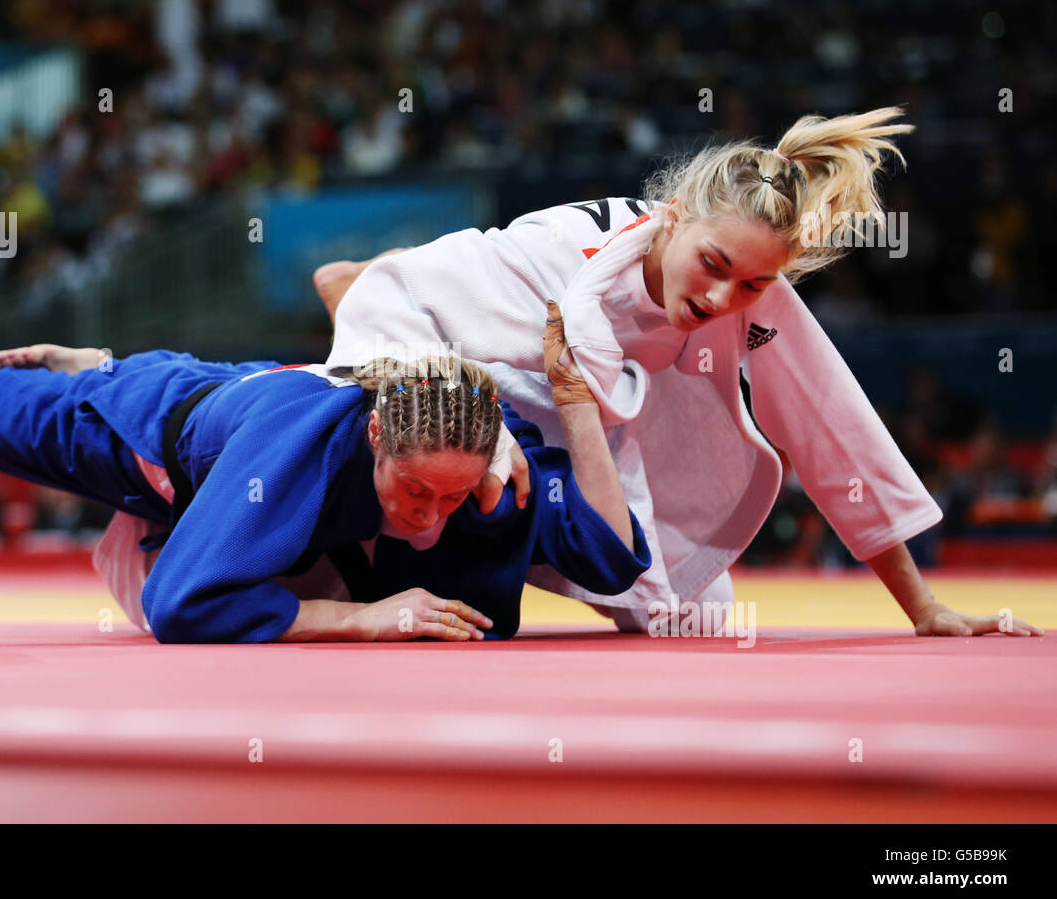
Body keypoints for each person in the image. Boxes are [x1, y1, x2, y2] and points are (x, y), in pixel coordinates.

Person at [0, 16, 650, 644]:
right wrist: (359, 620)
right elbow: (184, 605)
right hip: (126, 423)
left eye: (448, 500)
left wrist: (573, 401)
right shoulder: (300, 447)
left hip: (224, 390)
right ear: (377, 434)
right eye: (416, 493)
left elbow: (611, 558)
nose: (428, 520)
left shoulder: (470, 449)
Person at [320, 109, 1043, 637]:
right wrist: (478, 428)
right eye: (714, 267)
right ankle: (343, 294)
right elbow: (402, 302)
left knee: (695, 614)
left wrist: (923, 606)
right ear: (672, 219)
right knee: (375, 518)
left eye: (752, 285)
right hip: (475, 368)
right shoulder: (552, 255)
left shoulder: (753, 292)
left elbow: (828, 420)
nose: (723, 299)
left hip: (594, 413)